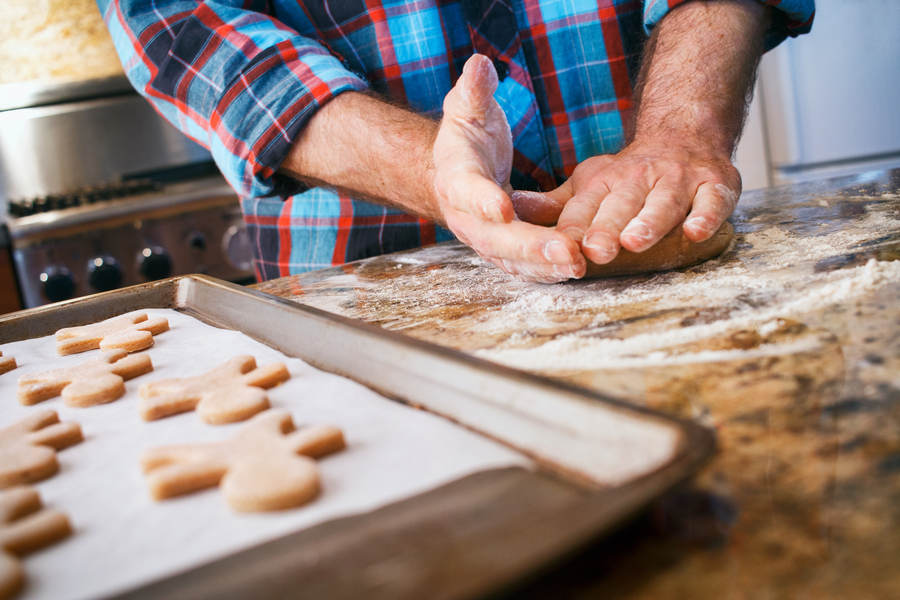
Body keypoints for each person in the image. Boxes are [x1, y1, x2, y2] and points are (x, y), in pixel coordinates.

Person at [98, 0, 813, 283]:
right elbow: (176, 19)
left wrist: (680, 127)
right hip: (365, 296)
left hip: (660, 248)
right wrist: (431, 167)